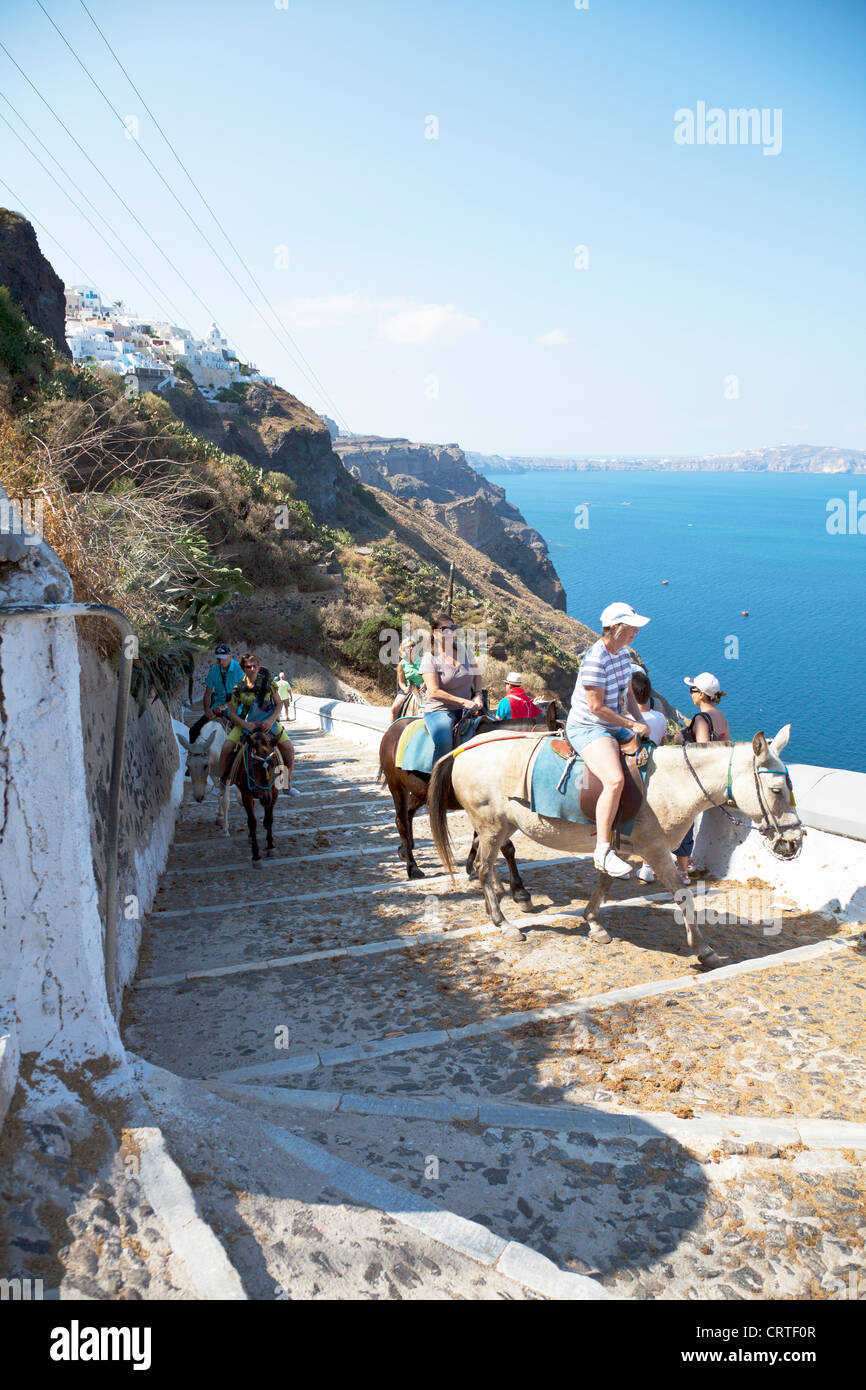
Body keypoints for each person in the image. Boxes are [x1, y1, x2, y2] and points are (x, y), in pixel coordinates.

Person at [565, 601, 651, 878]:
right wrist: (630, 724)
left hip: (614, 724)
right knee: (614, 780)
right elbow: (596, 708)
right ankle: (602, 850)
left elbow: (627, 695)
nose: (636, 632)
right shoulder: (595, 660)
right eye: (631, 628)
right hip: (589, 727)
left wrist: (643, 723)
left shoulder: (624, 655)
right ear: (614, 628)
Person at [213, 654, 299, 797]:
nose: (252, 669)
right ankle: (222, 783)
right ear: (243, 668)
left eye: (255, 666)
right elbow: (232, 713)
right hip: (246, 724)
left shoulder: (269, 683)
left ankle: (285, 783)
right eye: (249, 666)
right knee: (227, 747)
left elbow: (278, 704)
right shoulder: (238, 688)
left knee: (288, 748)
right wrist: (244, 724)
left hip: (268, 723)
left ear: (259, 666)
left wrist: (271, 720)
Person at [673, 673, 731, 883]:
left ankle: (682, 869)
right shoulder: (721, 717)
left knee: (684, 822)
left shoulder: (701, 719)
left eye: (692, 690)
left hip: (697, 780)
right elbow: (727, 745)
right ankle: (685, 861)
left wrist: (681, 739)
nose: (690, 694)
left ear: (702, 695)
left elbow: (701, 753)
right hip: (716, 778)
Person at [418, 614, 484, 764]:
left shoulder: (465, 649)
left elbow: (478, 674)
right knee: (444, 743)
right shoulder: (430, 658)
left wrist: (478, 694)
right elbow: (434, 692)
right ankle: (436, 783)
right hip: (440, 710)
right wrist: (463, 702)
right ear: (435, 633)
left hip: (467, 710)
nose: (450, 632)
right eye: (444, 629)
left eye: (452, 628)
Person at [630, 665, 670, 884]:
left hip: (629, 773)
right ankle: (646, 866)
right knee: (648, 823)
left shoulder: (625, 717)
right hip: (653, 774)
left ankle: (618, 861)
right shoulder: (659, 716)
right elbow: (662, 744)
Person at [188, 643, 244, 743]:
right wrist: (207, 709)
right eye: (218, 659)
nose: (220, 662)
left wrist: (225, 706)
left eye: (223, 658)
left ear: (230, 656)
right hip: (217, 707)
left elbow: (242, 694)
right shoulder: (214, 670)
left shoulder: (239, 669)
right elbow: (208, 693)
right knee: (194, 730)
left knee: (242, 736)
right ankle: (193, 752)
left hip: (236, 708)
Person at [389, 637, 424, 722]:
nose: (411, 648)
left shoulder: (423, 659)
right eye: (408, 647)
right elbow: (401, 682)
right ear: (404, 649)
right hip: (409, 688)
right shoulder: (401, 664)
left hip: (424, 688)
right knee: (394, 709)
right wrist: (405, 688)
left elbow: (429, 675)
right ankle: (392, 733)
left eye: (413, 645)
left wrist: (425, 684)